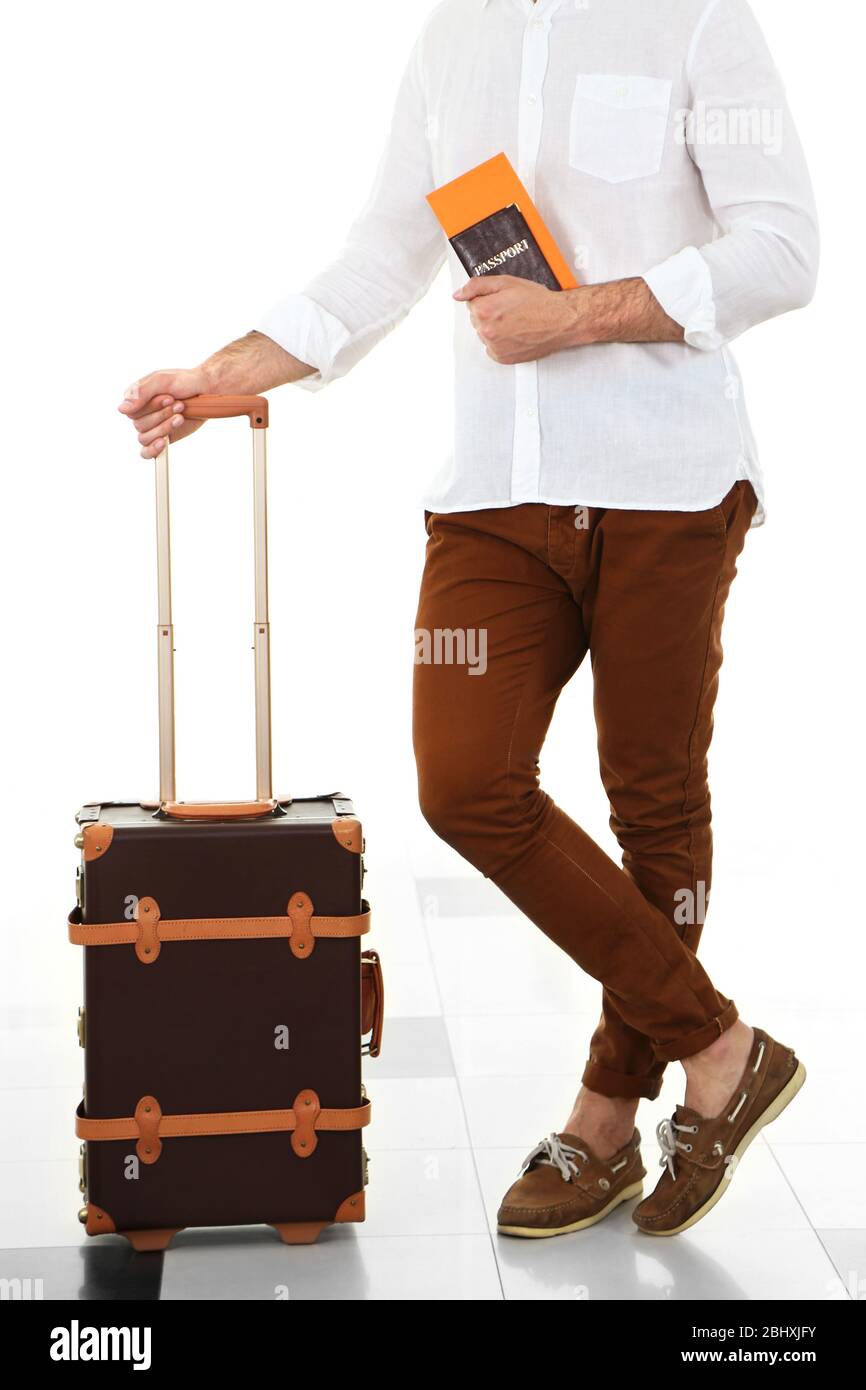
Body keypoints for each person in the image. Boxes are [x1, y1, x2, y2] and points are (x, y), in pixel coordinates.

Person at [119, 0, 818, 1238]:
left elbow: (781, 248)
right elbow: (380, 258)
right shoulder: (453, 39)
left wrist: (580, 311)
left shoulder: (699, 18)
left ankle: (606, 1115)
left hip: (666, 483)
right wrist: (222, 370)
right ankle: (720, 1049)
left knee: (653, 801)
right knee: (464, 779)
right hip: (497, 498)